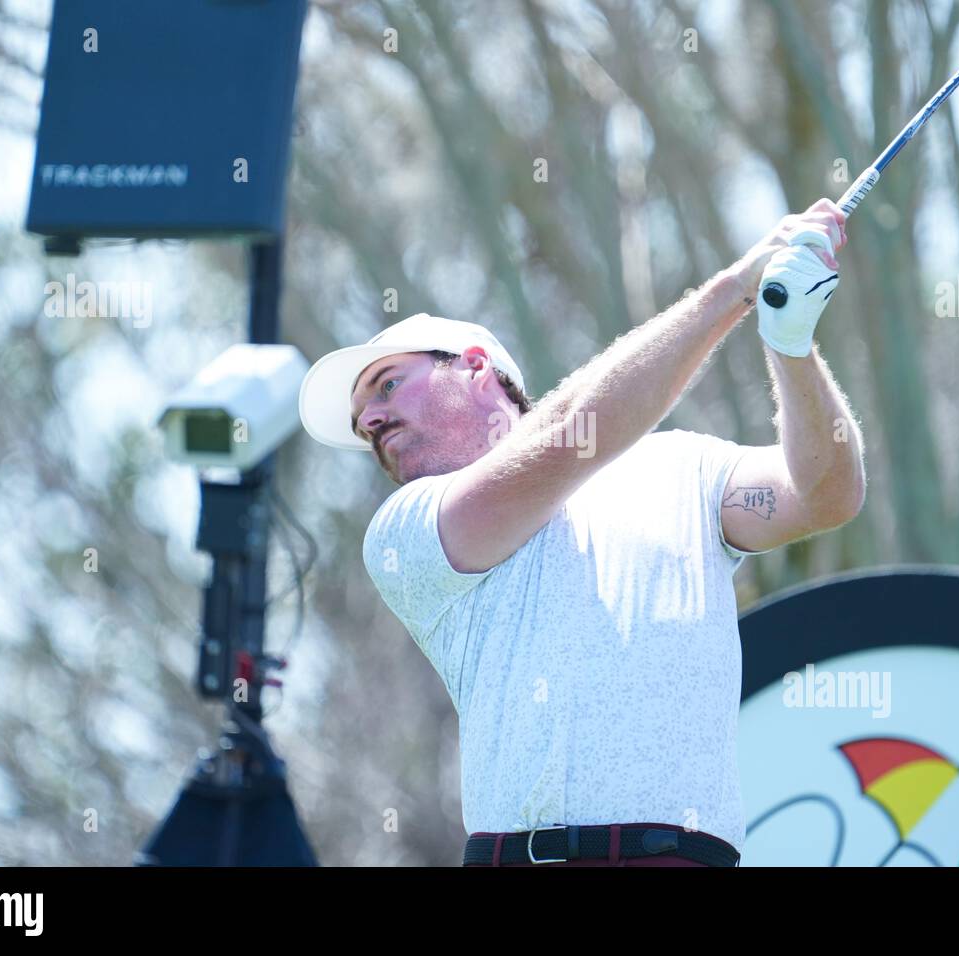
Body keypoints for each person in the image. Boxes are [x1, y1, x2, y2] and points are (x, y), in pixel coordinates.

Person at [298, 198, 865, 866]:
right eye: (363, 417)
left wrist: (790, 345)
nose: (370, 421)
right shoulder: (404, 533)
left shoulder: (684, 469)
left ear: (476, 367)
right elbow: (574, 435)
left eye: (387, 385)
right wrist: (732, 291)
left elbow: (826, 496)